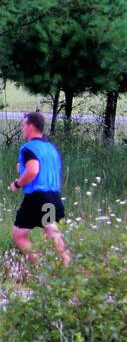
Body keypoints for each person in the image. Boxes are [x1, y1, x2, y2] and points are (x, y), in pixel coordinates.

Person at [9, 111, 70, 265]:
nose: (23, 129)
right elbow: (43, 169)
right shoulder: (51, 148)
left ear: (30, 127)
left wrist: (17, 184)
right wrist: (22, 168)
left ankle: (42, 267)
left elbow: (33, 170)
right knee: (51, 230)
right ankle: (66, 265)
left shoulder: (28, 148)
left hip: (37, 197)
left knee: (19, 235)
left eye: (24, 125)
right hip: (53, 196)